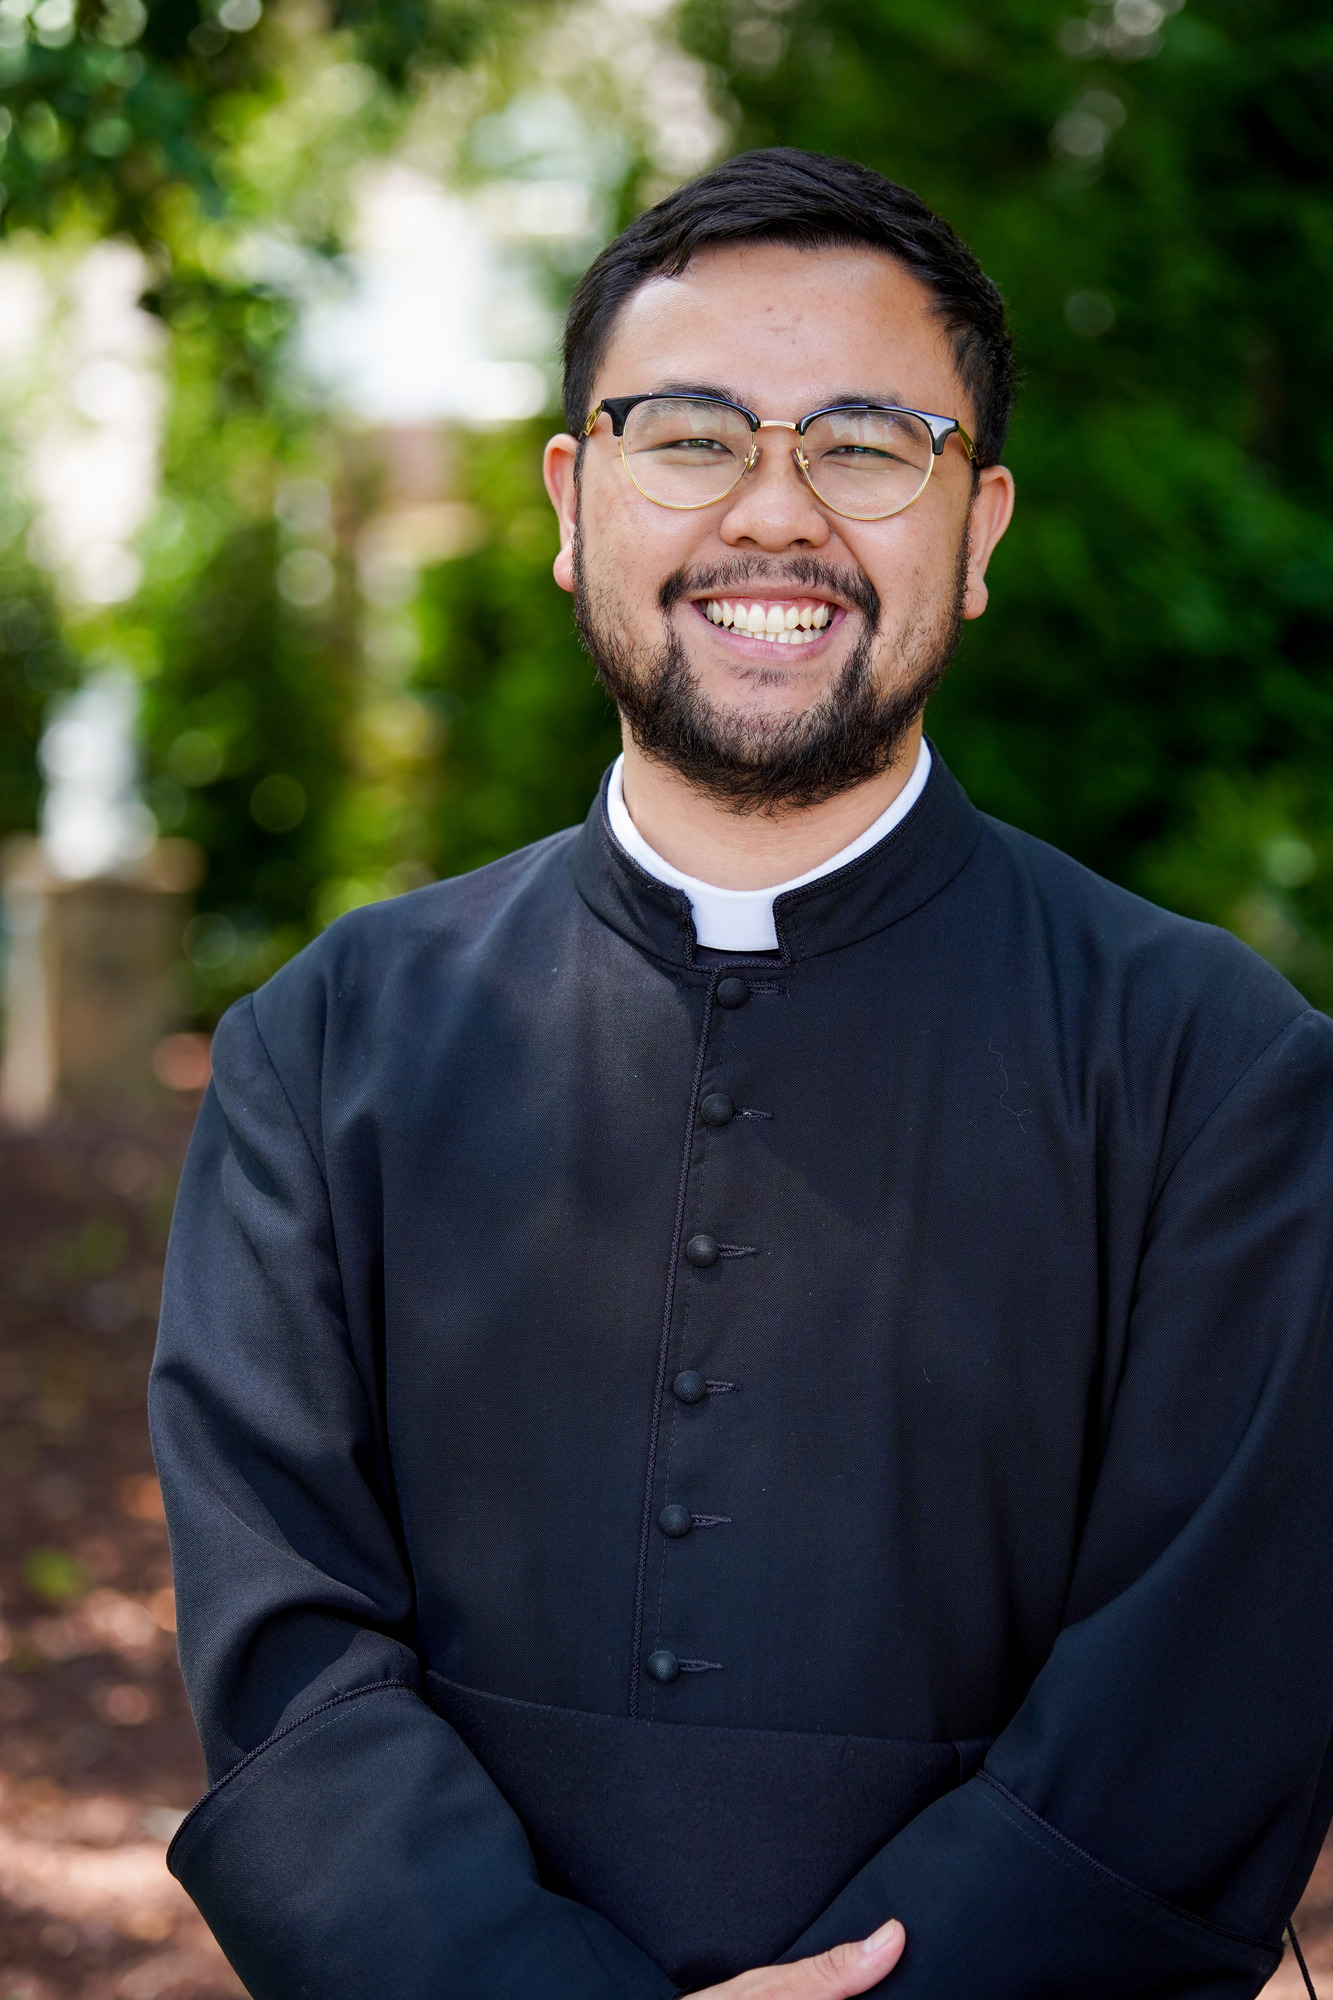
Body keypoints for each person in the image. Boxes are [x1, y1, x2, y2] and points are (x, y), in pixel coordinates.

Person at [150, 148, 1333, 2000]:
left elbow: (1208, 1692)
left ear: (980, 529)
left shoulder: (1218, 1071)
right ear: (573, 500)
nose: (772, 514)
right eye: (689, 436)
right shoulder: (322, 1048)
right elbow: (285, 1663)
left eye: (866, 446)